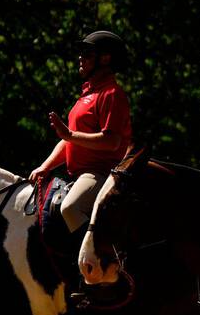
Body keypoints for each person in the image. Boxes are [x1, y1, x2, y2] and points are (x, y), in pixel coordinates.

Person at [28, 31, 133, 240]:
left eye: (87, 53)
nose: (80, 57)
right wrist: (45, 167)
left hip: (101, 173)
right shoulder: (88, 94)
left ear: (105, 58)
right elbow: (69, 140)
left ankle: (95, 264)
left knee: (70, 208)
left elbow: (112, 142)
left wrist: (69, 134)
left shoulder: (112, 94)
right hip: (80, 176)